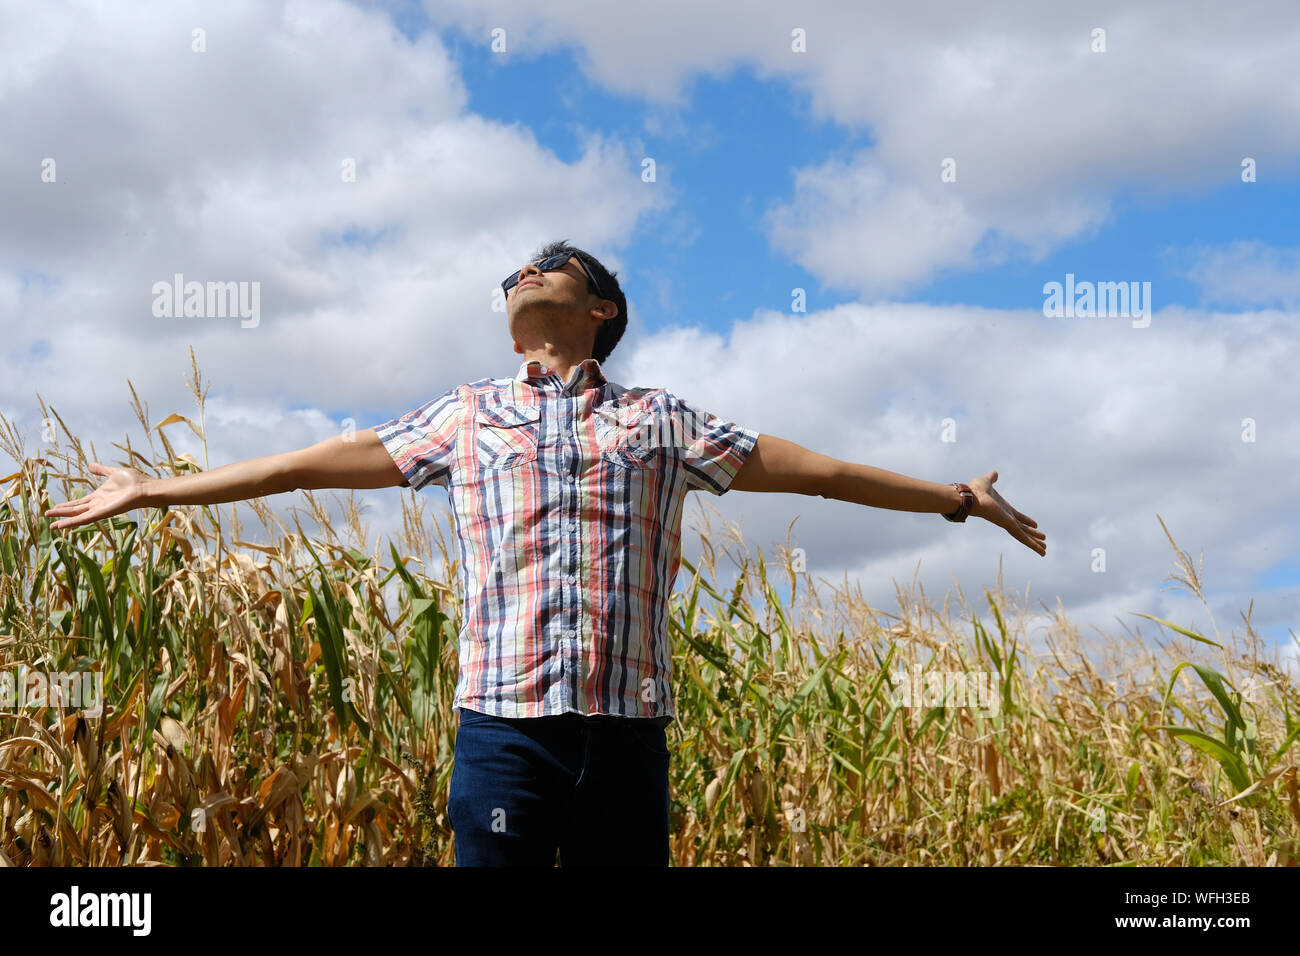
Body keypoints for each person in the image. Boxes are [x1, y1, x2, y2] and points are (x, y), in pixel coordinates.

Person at [43, 239, 1046, 867]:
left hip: (625, 733)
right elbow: (303, 467)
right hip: (503, 730)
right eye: (515, 273)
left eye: (550, 268)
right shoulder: (462, 415)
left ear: (599, 309)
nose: (525, 274)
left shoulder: (663, 419)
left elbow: (821, 473)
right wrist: (150, 486)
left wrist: (956, 497)